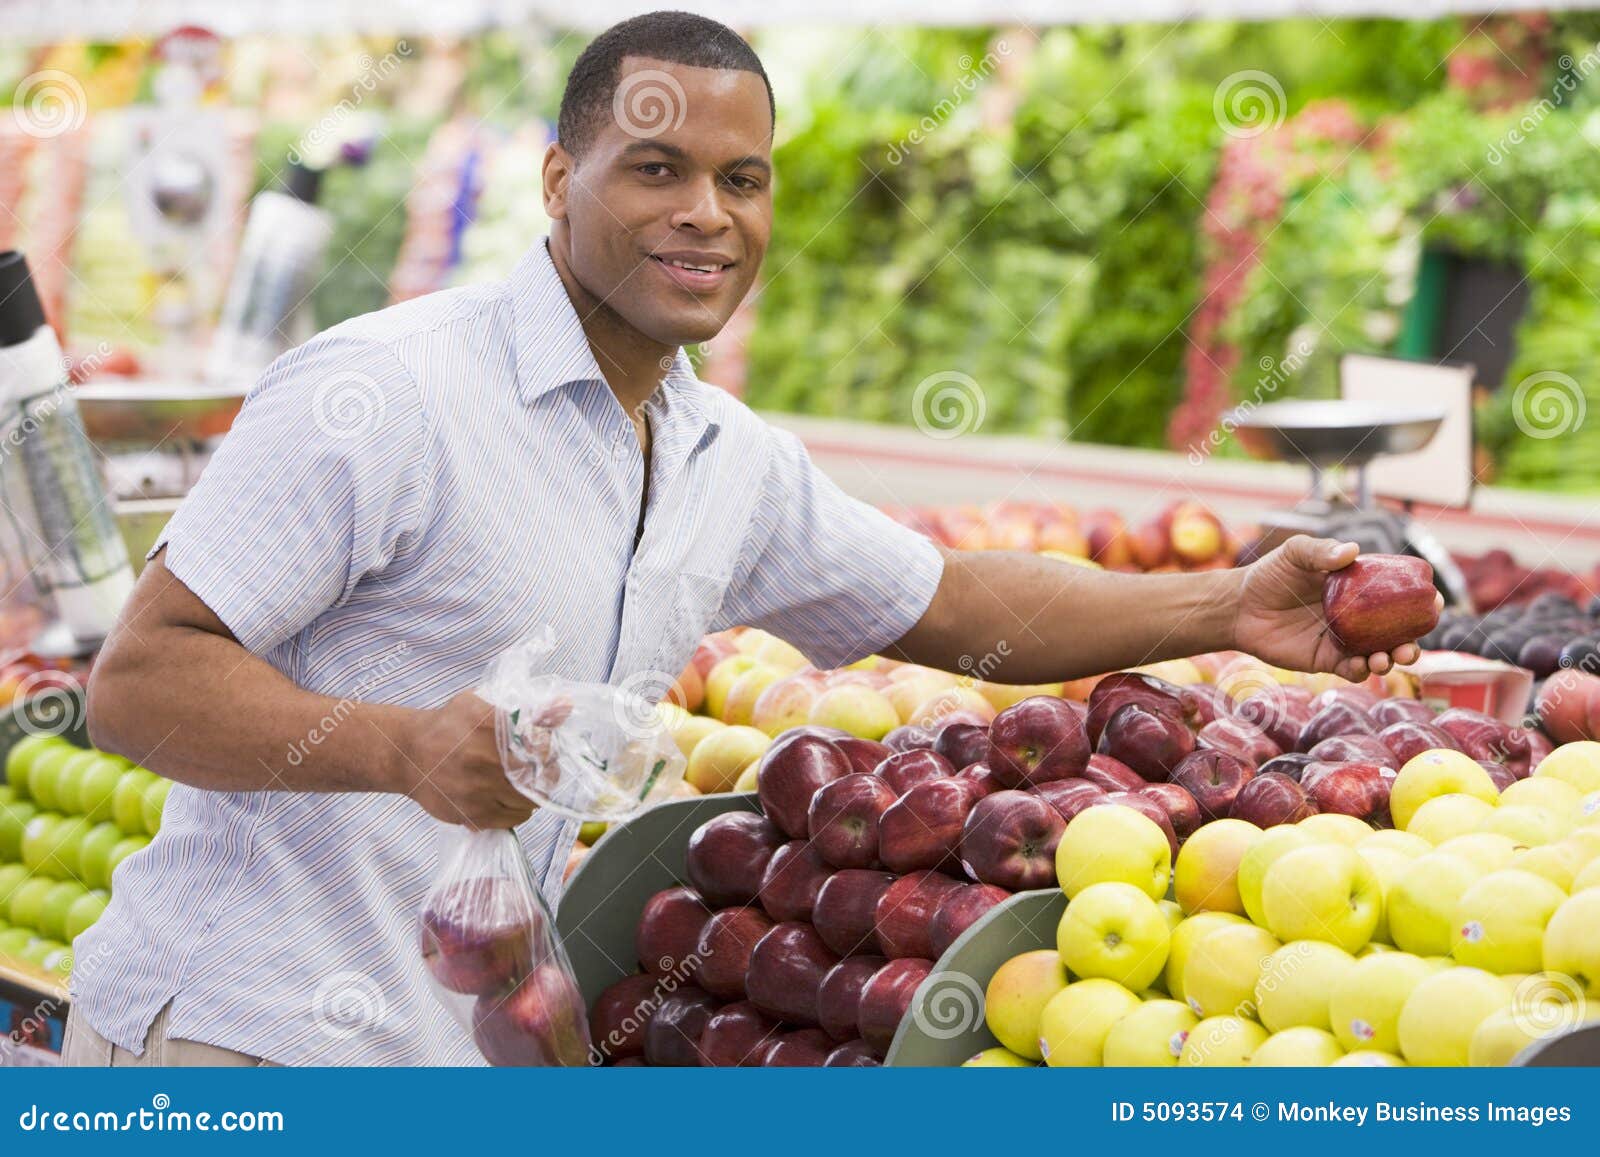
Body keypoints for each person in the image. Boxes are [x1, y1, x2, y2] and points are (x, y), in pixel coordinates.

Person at [68, 11, 1431, 1067]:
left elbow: (954, 604)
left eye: (743, 178)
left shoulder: (722, 453)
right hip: (234, 1039)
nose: (707, 214)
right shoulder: (388, 392)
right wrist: (404, 748)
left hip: (456, 1054)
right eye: (655, 169)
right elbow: (136, 681)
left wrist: (1230, 604)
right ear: (558, 178)